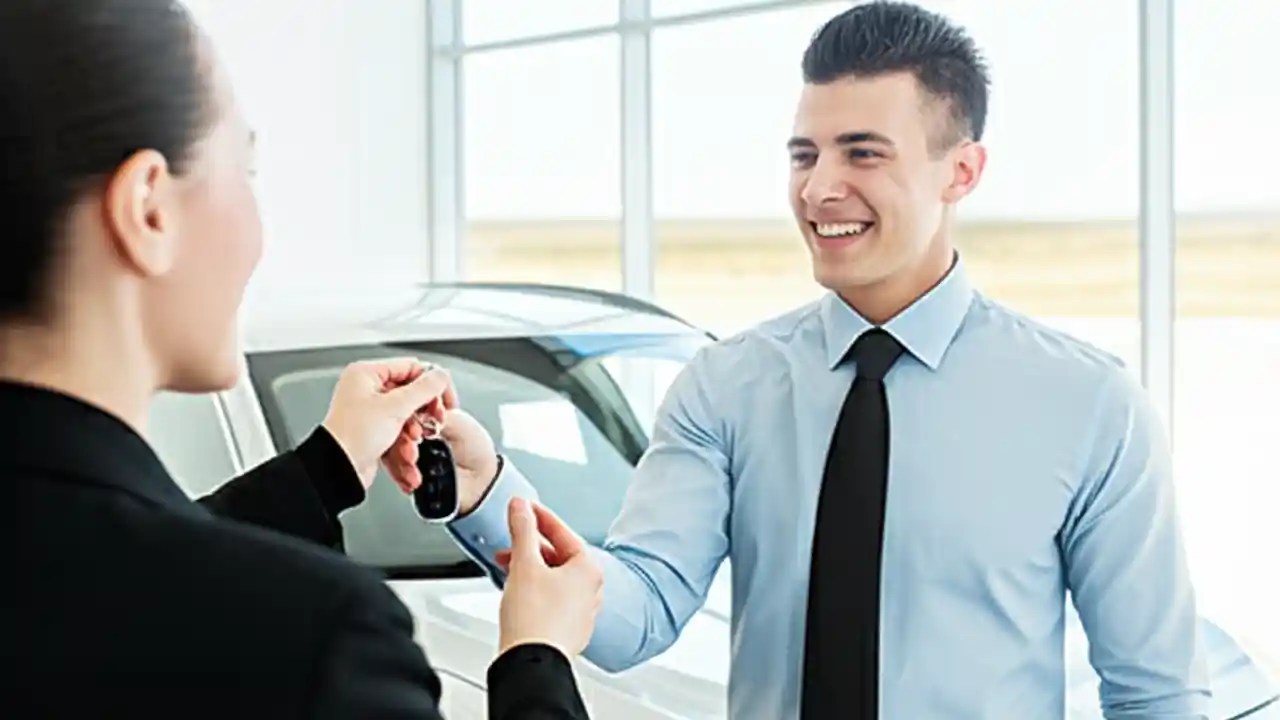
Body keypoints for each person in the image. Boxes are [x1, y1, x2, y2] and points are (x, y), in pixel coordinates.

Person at [427, 2, 1211, 719]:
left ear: (961, 171)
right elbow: (639, 611)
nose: (819, 189)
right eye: (805, 155)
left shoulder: (1086, 403)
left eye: (862, 154)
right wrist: (488, 491)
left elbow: (1157, 694)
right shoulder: (726, 387)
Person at [2, 1, 601, 717]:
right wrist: (538, 658)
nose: (260, 232)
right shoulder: (317, 643)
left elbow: (100, 568)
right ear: (149, 209)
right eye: (244, 170)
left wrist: (329, 466)